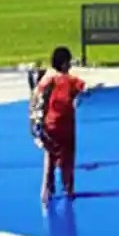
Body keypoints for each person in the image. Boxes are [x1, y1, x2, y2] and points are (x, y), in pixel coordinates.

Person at [33, 46, 87, 204]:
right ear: (64, 64)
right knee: (68, 158)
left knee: (49, 156)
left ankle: (46, 188)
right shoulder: (70, 80)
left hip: (50, 125)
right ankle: (68, 188)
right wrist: (77, 98)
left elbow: (37, 95)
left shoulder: (48, 80)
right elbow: (85, 88)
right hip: (66, 126)